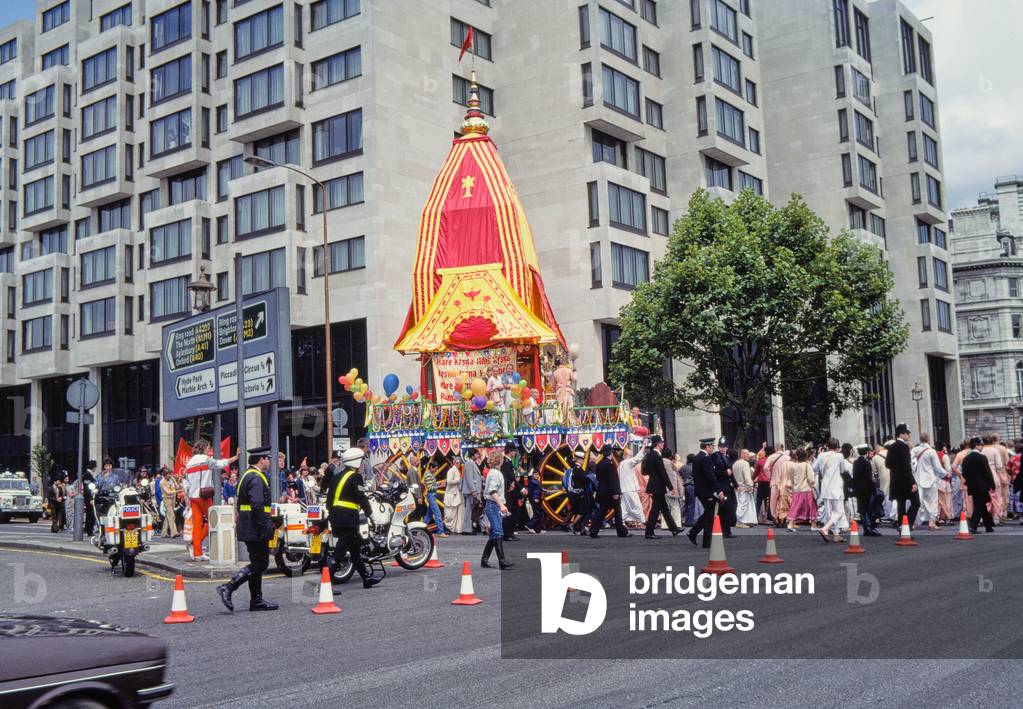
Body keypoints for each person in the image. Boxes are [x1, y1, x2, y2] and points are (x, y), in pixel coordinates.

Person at [216, 446, 278, 612]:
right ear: (261, 460)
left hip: (249, 525)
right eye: (268, 458)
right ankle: (229, 587)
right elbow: (257, 504)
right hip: (255, 526)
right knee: (261, 563)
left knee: (257, 562)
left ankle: (256, 600)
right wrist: (265, 525)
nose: (269, 461)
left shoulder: (247, 475)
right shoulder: (256, 478)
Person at [325, 447, 380, 589]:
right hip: (348, 519)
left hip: (337, 517)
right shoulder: (356, 477)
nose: (362, 465)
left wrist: (333, 515)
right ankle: (326, 583)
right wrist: (371, 515)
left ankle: (366, 578)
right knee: (340, 551)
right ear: (355, 462)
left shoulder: (337, 476)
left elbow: (329, 500)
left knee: (355, 550)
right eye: (361, 462)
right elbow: (361, 498)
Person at [185, 439, 239, 561]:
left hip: (193, 496)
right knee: (213, 520)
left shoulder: (189, 463)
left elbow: (186, 483)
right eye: (208, 448)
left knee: (197, 524)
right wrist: (235, 458)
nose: (209, 450)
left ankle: (197, 552)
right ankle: (195, 543)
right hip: (204, 495)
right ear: (203, 448)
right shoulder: (206, 459)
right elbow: (220, 463)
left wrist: (188, 498)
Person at [688, 437, 725, 547]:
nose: (713, 448)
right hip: (706, 491)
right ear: (707, 447)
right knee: (709, 516)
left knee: (708, 513)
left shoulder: (696, 457)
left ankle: (693, 533)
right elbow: (710, 476)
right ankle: (706, 541)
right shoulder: (705, 458)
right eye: (712, 446)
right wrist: (718, 490)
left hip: (700, 490)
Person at [641, 436, 681, 540]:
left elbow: (644, 471)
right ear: (658, 444)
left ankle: (674, 528)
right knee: (655, 510)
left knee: (664, 509)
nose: (663, 444)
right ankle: (649, 532)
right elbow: (663, 473)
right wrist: (671, 487)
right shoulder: (657, 456)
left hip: (654, 484)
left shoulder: (649, 455)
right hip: (658, 486)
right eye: (662, 442)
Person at [480, 449, 513, 569]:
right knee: (498, 532)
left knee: (495, 533)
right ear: (500, 460)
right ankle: (502, 561)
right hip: (493, 505)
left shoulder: (492, 472)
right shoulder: (495, 473)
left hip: (492, 505)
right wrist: (501, 505)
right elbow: (492, 491)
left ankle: (484, 560)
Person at [589, 445, 629, 538]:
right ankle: (621, 532)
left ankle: (593, 531)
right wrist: (616, 492)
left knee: (601, 512)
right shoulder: (610, 464)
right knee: (618, 513)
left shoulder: (599, 464)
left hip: (602, 492)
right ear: (611, 453)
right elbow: (613, 479)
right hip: (611, 493)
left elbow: (598, 477)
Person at [814, 439, 848, 543]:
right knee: (839, 512)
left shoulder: (821, 455)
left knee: (830, 513)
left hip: (825, 487)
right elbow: (842, 470)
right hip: (836, 486)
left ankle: (836, 535)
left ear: (827, 446)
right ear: (837, 447)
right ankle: (825, 529)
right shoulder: (839, 456)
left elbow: (814, 468)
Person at [886, 423, 919, 529]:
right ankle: (907, 524)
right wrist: (912, 482)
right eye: (907, 433)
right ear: (901, 434)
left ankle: (901, 526)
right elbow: (906, 466)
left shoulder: (891, 447)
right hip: (905, 481)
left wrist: (896, 469)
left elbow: (888, 464)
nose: (909, 435)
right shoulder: (904, 447)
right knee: (916, 502)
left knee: (901, 505)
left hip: (896, 480)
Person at [961, 437, 996, 534]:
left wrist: (969, 481)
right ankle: (973, 526)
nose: (982, 447)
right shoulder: (982, 457)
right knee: (979, 506)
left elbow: (964, 473)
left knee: (981, 504)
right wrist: (992, 485)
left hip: (972, 485)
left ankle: (988, 525)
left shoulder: (966, 458)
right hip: (982, 485)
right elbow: (987, 473)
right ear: (977, 445)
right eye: (981, 445)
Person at [911, 432, 943, 530]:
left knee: (918, 502)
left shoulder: (914, 450)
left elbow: (910, 463)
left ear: (920, 439)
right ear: (928, 439)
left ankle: (913, 522)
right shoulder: (931, 451)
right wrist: (945, 474)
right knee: (932, 501)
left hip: (917, 478)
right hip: (930, 479)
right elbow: (937, 467)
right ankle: (932, 522)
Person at [852, 444, 880, 536]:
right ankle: (869, 528)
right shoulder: (866, 463)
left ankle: (865, 528)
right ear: (866, 452)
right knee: (868, 509)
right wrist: (873, 488)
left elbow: (855, 476)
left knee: (862, 509)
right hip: (867, 489)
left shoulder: (856, 462)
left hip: (858, 489)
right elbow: (869, 478)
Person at [711, 438, 736, 537]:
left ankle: (724, 530)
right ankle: (725, 531)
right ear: (718, 447)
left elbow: (731, 473)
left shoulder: (727, 457)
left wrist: (736, 485)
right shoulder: (715, 456)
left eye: (724, 447)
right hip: (721, 486)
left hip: (727, 486)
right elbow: (714, 473)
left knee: (725, 509)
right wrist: (725, 473)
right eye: (721, 447)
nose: (723, 448)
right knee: (727, 509)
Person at [617, 448, 645, 527]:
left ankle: (621, 523)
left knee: (624, 508)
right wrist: (643, 447)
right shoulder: (628, 462)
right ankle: (640, 522)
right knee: (637, 506)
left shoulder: (621, 463)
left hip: (624, 489)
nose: (632, 454)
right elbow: (637, 458)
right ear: (627, 454)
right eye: (631, 453)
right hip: (630, 489)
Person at [500, 443, 521, 541]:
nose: (515, 453)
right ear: (510, 451)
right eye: (514, 451)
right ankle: (507, 534)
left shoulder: (508, 461)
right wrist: (520, 488)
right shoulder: (505, 462)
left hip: (511, 490)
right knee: (509, 513)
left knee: (513, 512)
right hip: (508, 491)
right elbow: (509, 477)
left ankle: (510, 533)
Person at [460, 448, 483, 534]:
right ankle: (467, 529)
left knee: (471, 510)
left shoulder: (472, 463)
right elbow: (469, 478)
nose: (478, 455)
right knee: (471, 510)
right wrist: (473, 490)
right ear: (473, 455)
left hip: (473, 490)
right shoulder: (469, 463)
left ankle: (468, 528)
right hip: (472, 491)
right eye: (476, 454)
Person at [732, 449, 757, 527]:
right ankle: (739, 521)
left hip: (736, 487)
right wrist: (750, 486)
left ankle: (743, 520)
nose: (748, 456)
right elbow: (747, 477)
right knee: (743, 504)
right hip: (744, 487)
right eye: (746, 454)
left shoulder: (735, 463)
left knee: (739, 504)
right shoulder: (745, 464)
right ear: (742, 454)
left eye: (748, 454)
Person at [444, 458, 464, 534]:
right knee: (451, 513)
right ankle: (450, 527)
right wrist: (458, 480)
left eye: (459, 463)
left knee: (456, 513)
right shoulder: (451, 470)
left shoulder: (457, 471)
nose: (458, 464)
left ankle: (455, 529)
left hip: (456, 494)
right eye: (457, 463)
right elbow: (449, 481)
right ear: (454, 463)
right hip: (451, 494)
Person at [754, 446, 774, 524]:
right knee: (768, 500)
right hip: (769, 483)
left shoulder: (760, 461)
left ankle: (755, 517)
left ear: (765, 452)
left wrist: (752, 479)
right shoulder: (773, 462)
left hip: (761, 483)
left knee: (759, 500)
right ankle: (769, 516)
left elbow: (755, 473)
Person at [525, 464, 546, 534]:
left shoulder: (535, 482)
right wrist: (535, 498)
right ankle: (529, 525)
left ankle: (537, 529)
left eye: (537, 474)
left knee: (539, 513)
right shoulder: (533, 482)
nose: (536, 475)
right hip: (535, 499)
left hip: (537, 499)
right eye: (535, 474)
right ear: (532, 475)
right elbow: (534, 491)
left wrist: (543, 490)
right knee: (538, 514)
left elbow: (538, 489)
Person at [159, 468, 179, 537]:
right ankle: (174, 532)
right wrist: (177, 491)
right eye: (168, 475)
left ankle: (164, 533)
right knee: (171, 515)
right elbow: (167, 492)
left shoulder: (171, 479)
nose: (170, 476)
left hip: (173, 498)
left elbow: (177, 487)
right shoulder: (162, 482)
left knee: (168, 516)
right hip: (167, 499)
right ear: (164, 475)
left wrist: (174, 480)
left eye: (170, 474)